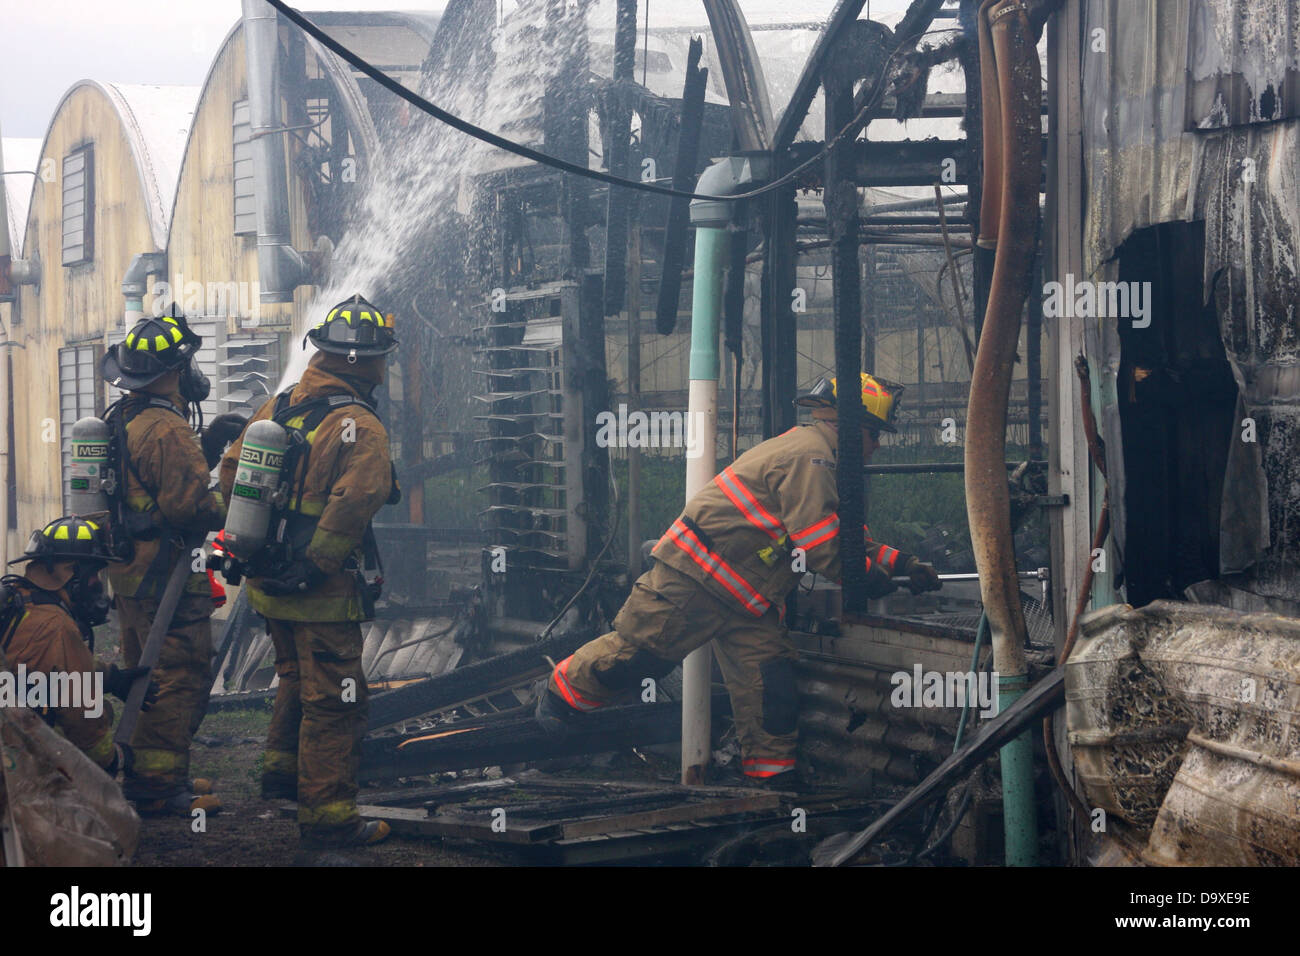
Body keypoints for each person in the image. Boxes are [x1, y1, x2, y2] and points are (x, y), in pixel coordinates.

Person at [536, 373, 942, 785]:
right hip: (694, 581)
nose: (878, 446)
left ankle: (771, 783)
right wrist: (866, 579)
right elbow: (821, 544)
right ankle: (559, 697)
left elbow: (845, 536)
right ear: (855, 430)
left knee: (771, 693)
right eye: (876, 435)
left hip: (749, 601)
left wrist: (903, 563)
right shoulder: (810, 457)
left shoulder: (820, 457)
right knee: (636, 659)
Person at [218, 295, 400, 849]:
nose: (383, 368)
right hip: (318, 592)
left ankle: (280, 775)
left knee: (294, 677)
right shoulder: (361, 426)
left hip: (266, 583)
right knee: (337, 699)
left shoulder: (275, 408)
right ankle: (329, 819)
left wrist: (264, 555)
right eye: (379, 359)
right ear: (360, 362)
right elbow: (353, 503)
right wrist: (313, 567)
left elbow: (229, 475)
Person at [99, 308, 229, 815]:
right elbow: (190, 508)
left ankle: (154, 772)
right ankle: (156, 787)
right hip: (165, 576)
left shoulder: (122, 417)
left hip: (129, 573)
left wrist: (209, 450)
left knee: (144, 670)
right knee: (180, 671)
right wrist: (237, 492)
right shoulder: (167, 428)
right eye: (187, 364)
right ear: (172, 372)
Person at [0, 516, 156, 774]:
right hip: (15, 766)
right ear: (71, 572)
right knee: (99, 710)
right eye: (93, 574)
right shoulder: (56, 625)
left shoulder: (18, 600)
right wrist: (113, 759)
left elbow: (46, 668)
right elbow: (82, 719)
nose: (96, 584)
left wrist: (111, 678)